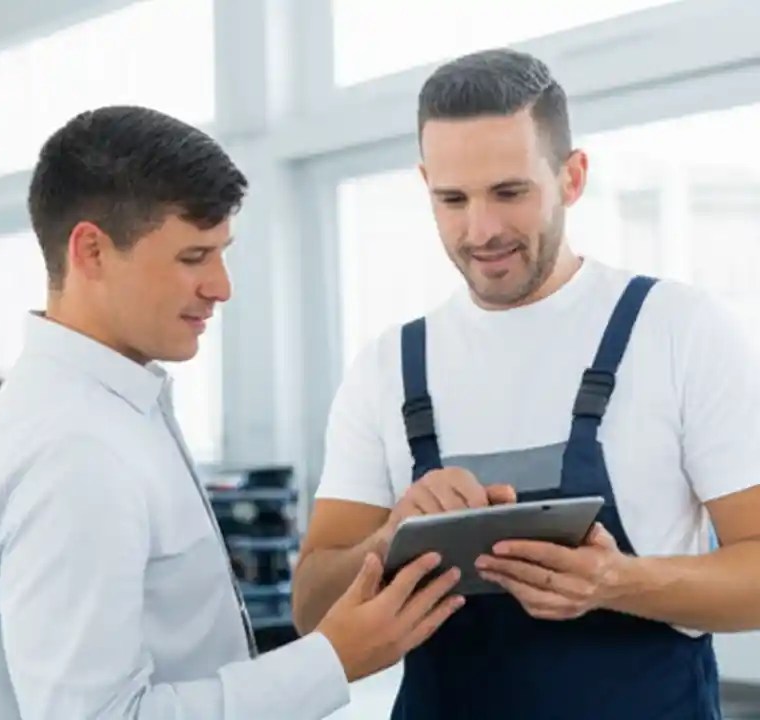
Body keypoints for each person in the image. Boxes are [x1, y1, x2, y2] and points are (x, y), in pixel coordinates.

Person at [0, 105, 466, 720]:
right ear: (90, 251)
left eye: (222, 253)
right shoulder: (74, 451)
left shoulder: (110, 409)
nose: (221, 286)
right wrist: (334, 658)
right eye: (194, 257)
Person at [292, 47, 760, 719]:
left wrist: (619, 583)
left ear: (572, 177)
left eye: (509, 192)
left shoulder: (678, 330)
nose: (481, 230)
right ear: (425, 184)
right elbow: (311, 610)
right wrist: (388, 537)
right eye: (451, 199)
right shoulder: (387, 368)